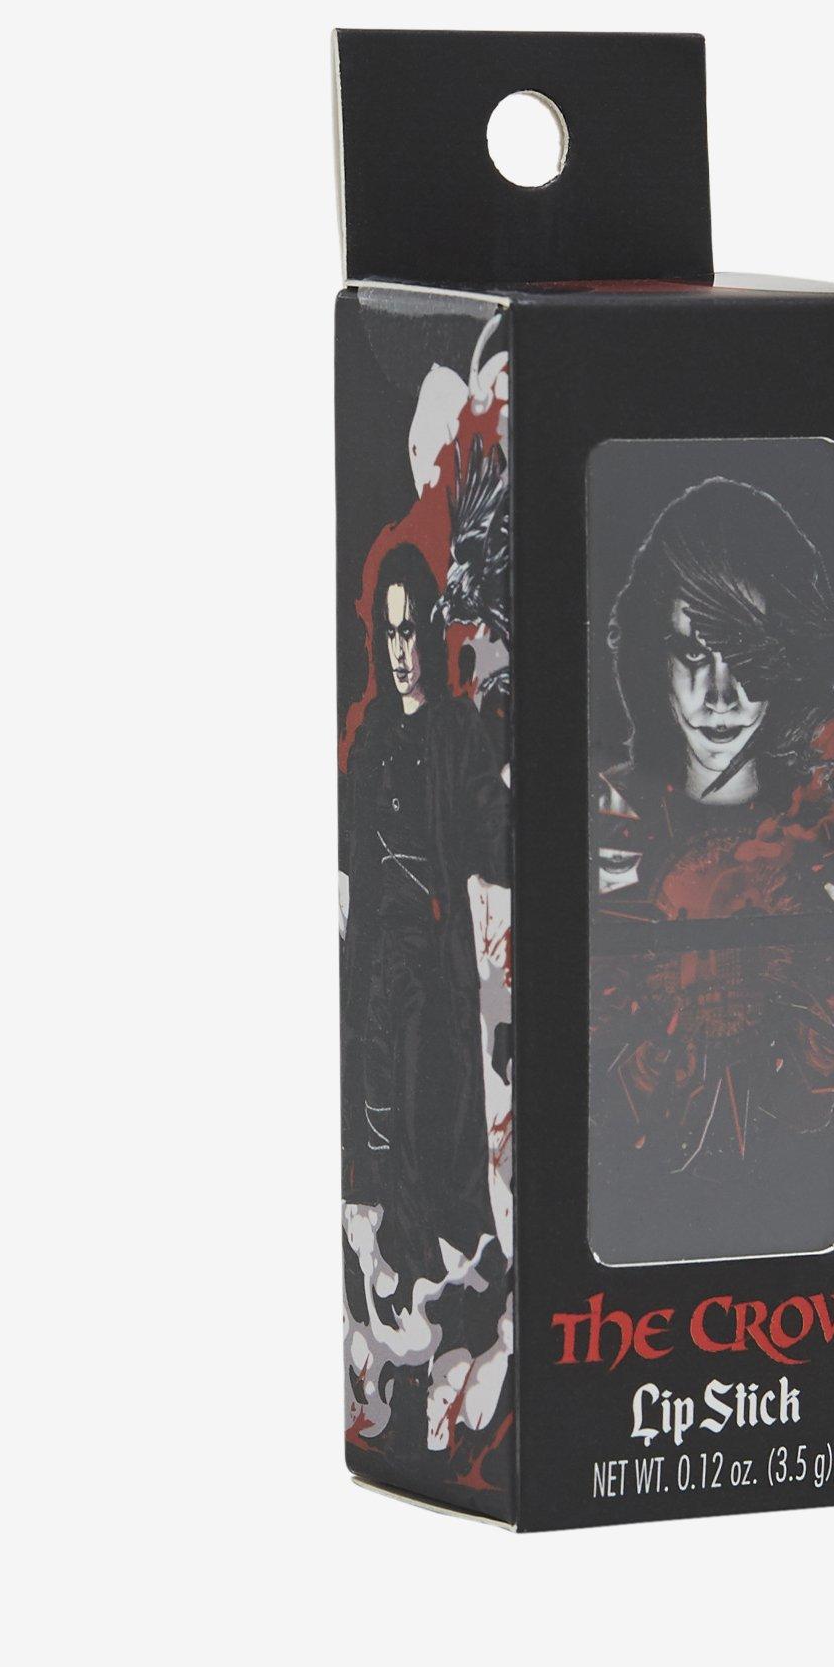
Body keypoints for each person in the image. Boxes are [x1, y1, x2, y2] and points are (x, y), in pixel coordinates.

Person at [588, 477, 834, 1262]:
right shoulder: (608, 819)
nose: (719, 693)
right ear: (652, 655)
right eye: (693, 652)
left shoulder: (832, 826)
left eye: (745, 654)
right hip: (636, 1218)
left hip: (798, 1221)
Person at [340, 542, 511, 1353]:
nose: (402, 650)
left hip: (433, 969)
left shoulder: (456, 731)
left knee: (429, 1122)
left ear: (432, 635)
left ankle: (447, 1296)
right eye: (391, 633)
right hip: (374, 964)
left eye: (413, 631)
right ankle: (398, 1298)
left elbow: (495, 836)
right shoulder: (371, 738)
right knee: (378, 1123)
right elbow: (350, 861)